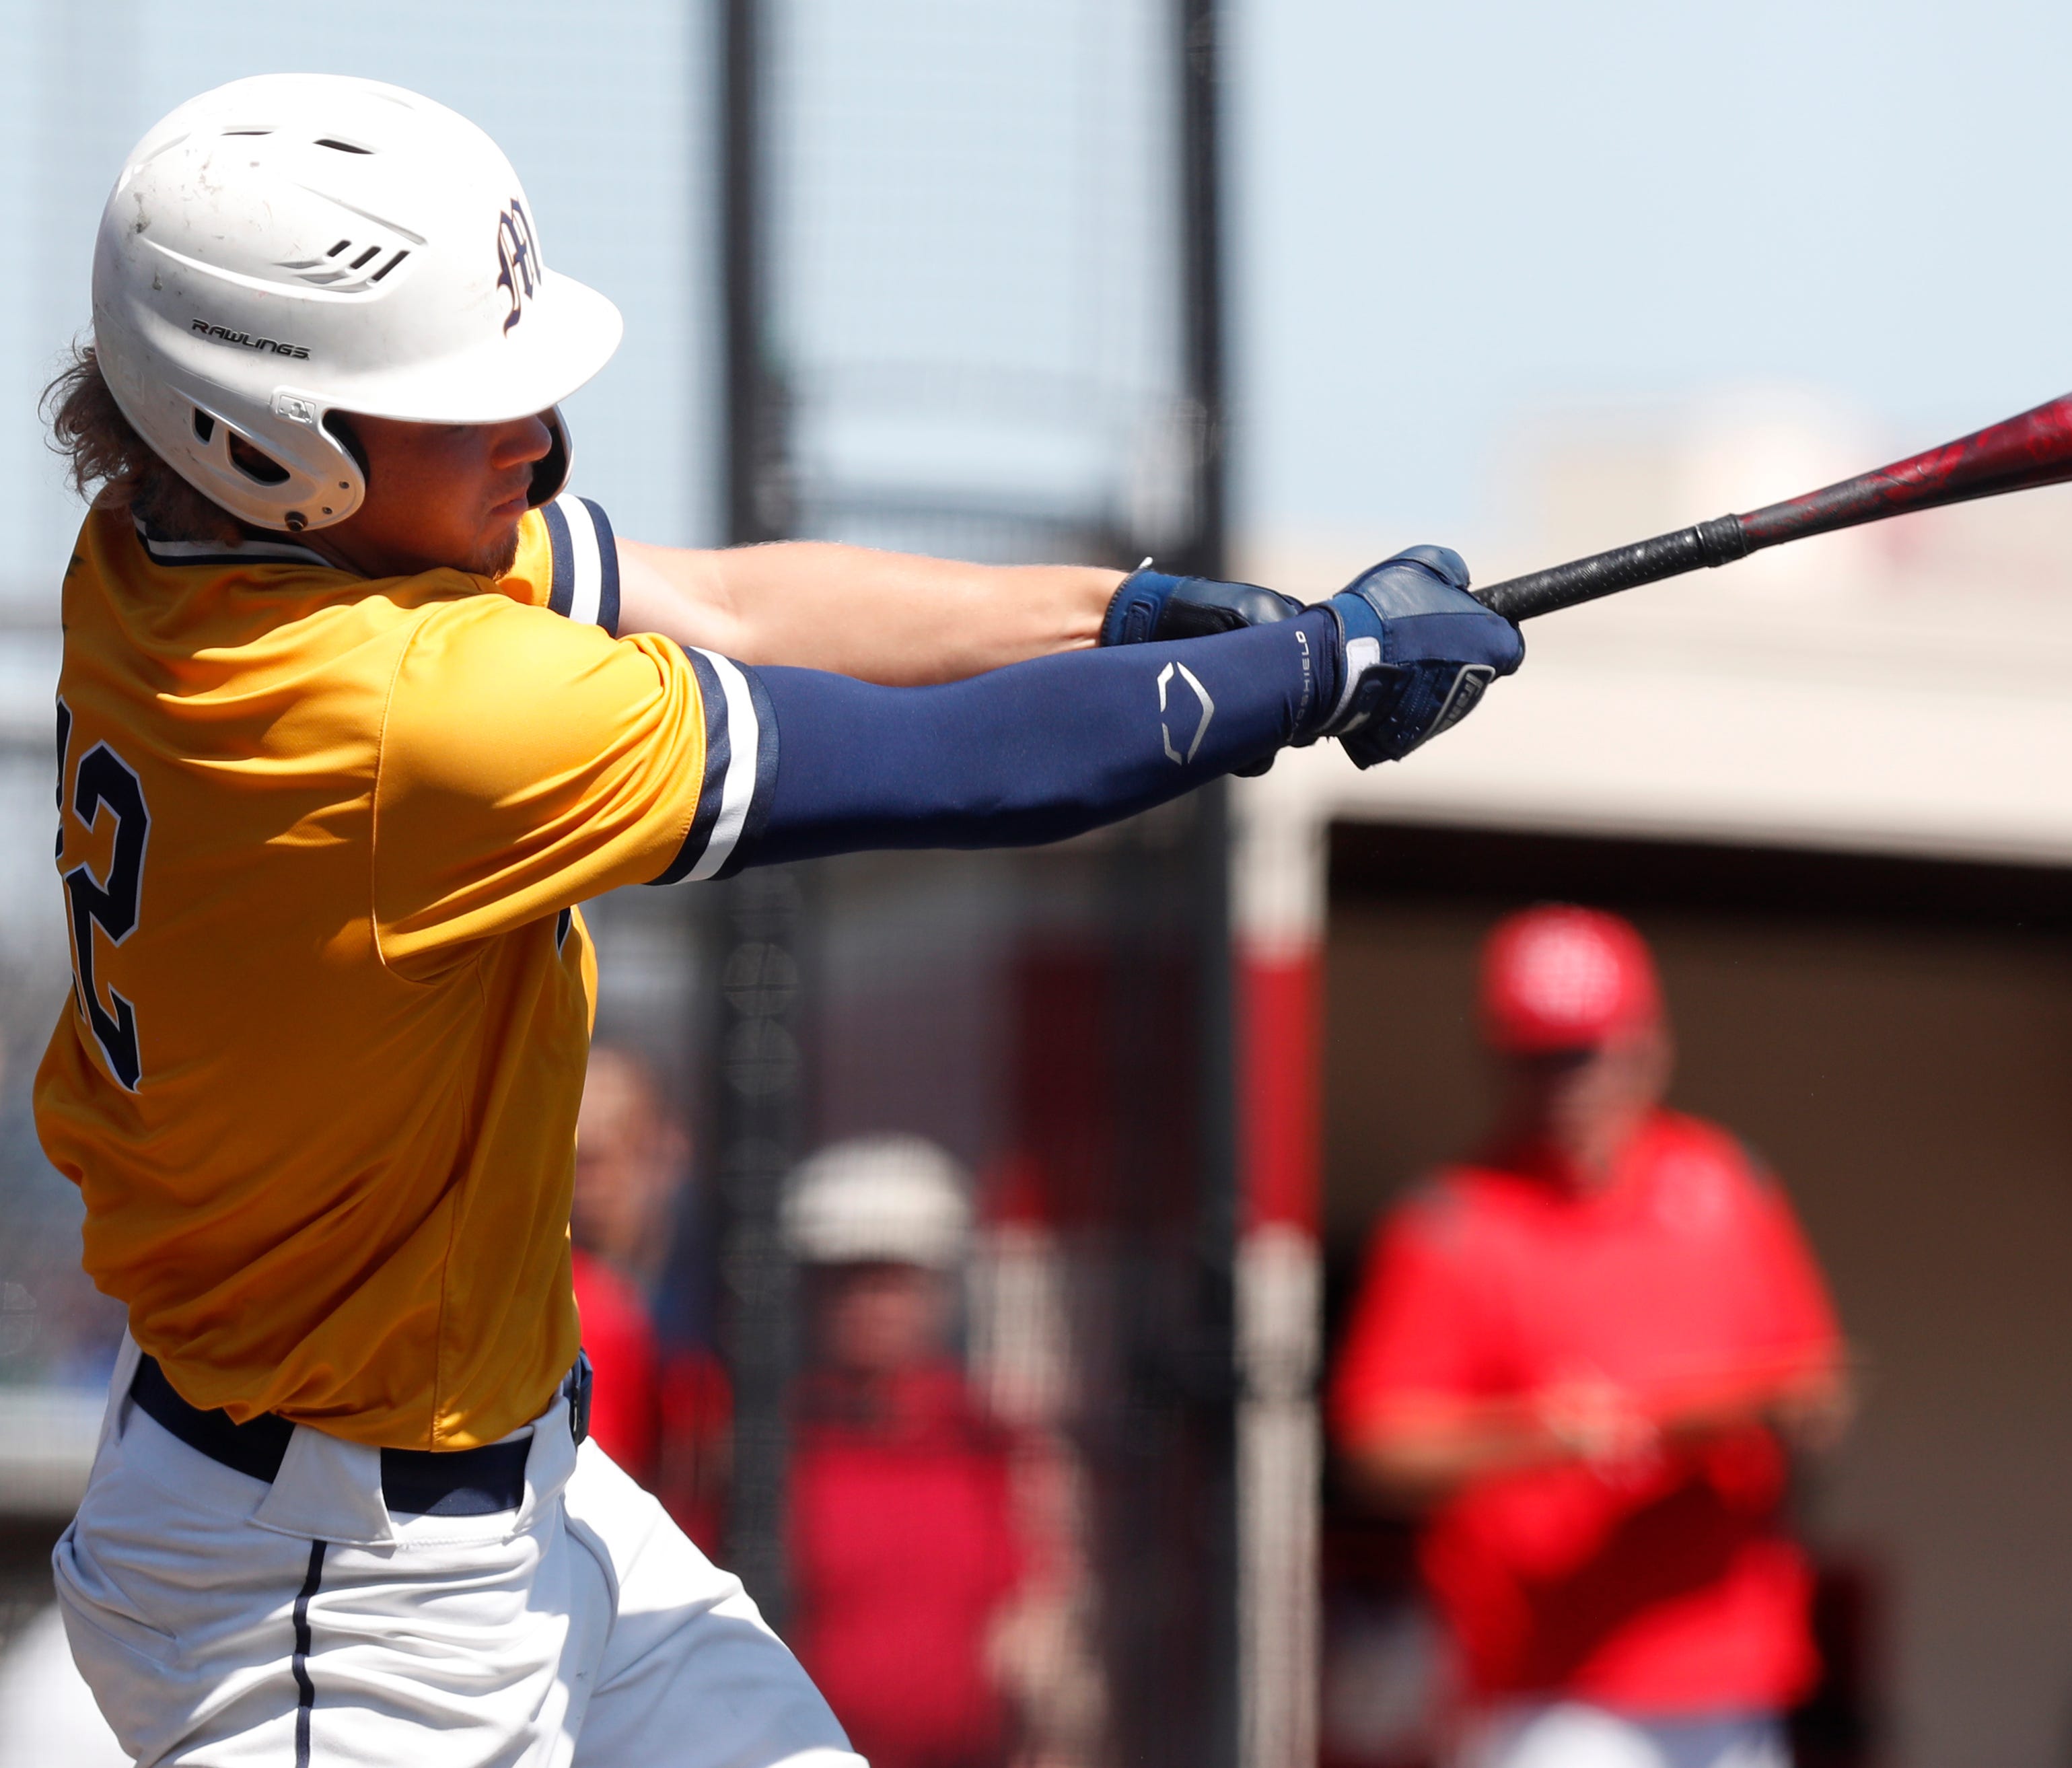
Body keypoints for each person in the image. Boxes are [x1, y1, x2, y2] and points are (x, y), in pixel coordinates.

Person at [39, 73, 1520, 1768]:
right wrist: (1306, 674)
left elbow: (737, 600)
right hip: (336, 1609)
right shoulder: (410, 716)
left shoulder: (170, 552)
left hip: (506, 1501)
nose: (540, 436)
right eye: (469, 399)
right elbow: (952, 771)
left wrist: (1114, 611)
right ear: (264, 442)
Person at [1332, 907, 1849, 1768]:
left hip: (1721, 1658)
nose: (1564, 1085)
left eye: (1584, 1053)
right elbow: (1376, 1447)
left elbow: (1814, 1384)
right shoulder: (1452, 1224)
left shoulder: (1725, 1183)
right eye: (1535, 1058)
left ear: (1648, 1046)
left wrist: (1695, 1419)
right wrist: (1541, 1434)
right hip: (1547, 1680)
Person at [781, 1137, 1023, 1768]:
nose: (872, 1305)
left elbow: (1030, 1615)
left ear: (940, 1290)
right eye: (848, 1281)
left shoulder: (986, 1440)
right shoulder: (766, 1442)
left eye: (894, 1280)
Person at [571, 1044, 694, 1478]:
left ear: (668, 1147)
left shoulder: (723, 1294)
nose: (579, 1180)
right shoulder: (561, 1309)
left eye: (595, 1158)